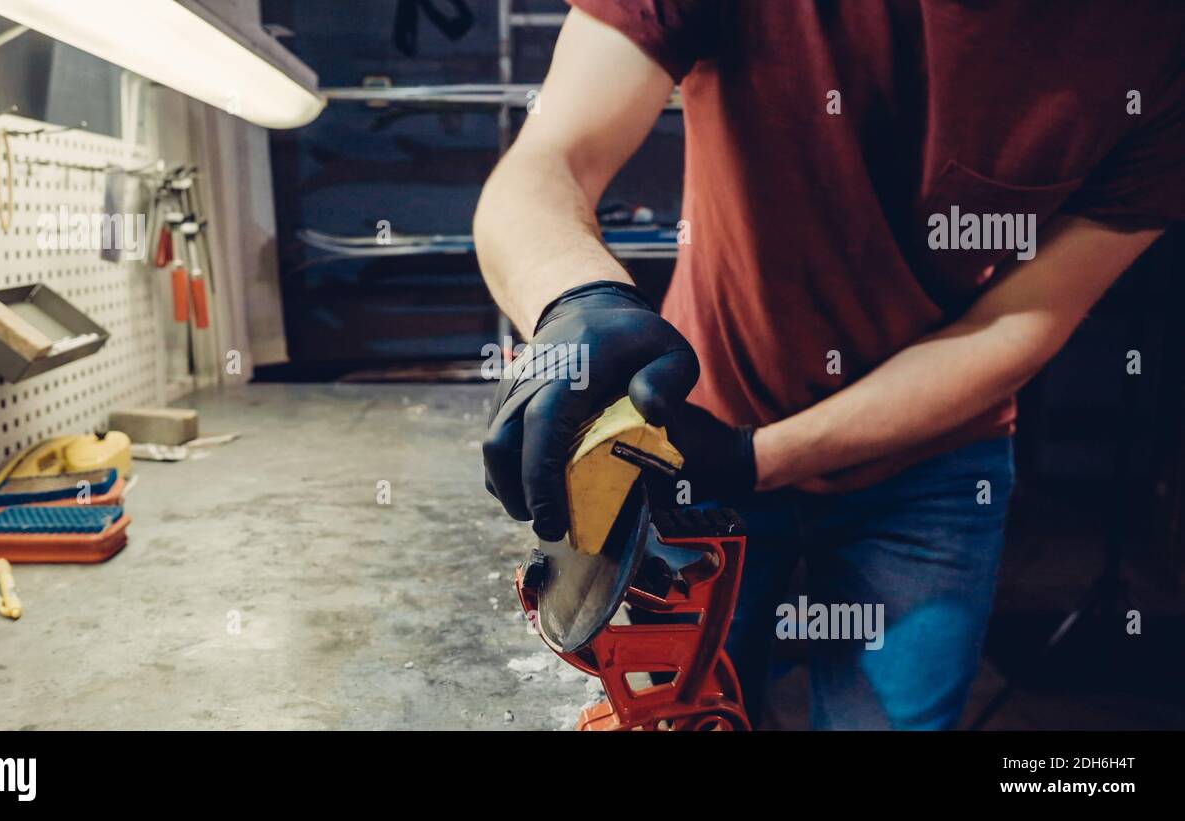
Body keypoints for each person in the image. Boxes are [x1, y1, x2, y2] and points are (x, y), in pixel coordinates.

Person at [473, 1, 1183, 729]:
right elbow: (547, 161)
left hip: (931, 464)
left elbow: (1020, 320)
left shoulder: (1156, 49)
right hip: (695, 434)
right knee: (680, 714)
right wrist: (578, 299)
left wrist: (757, 459)